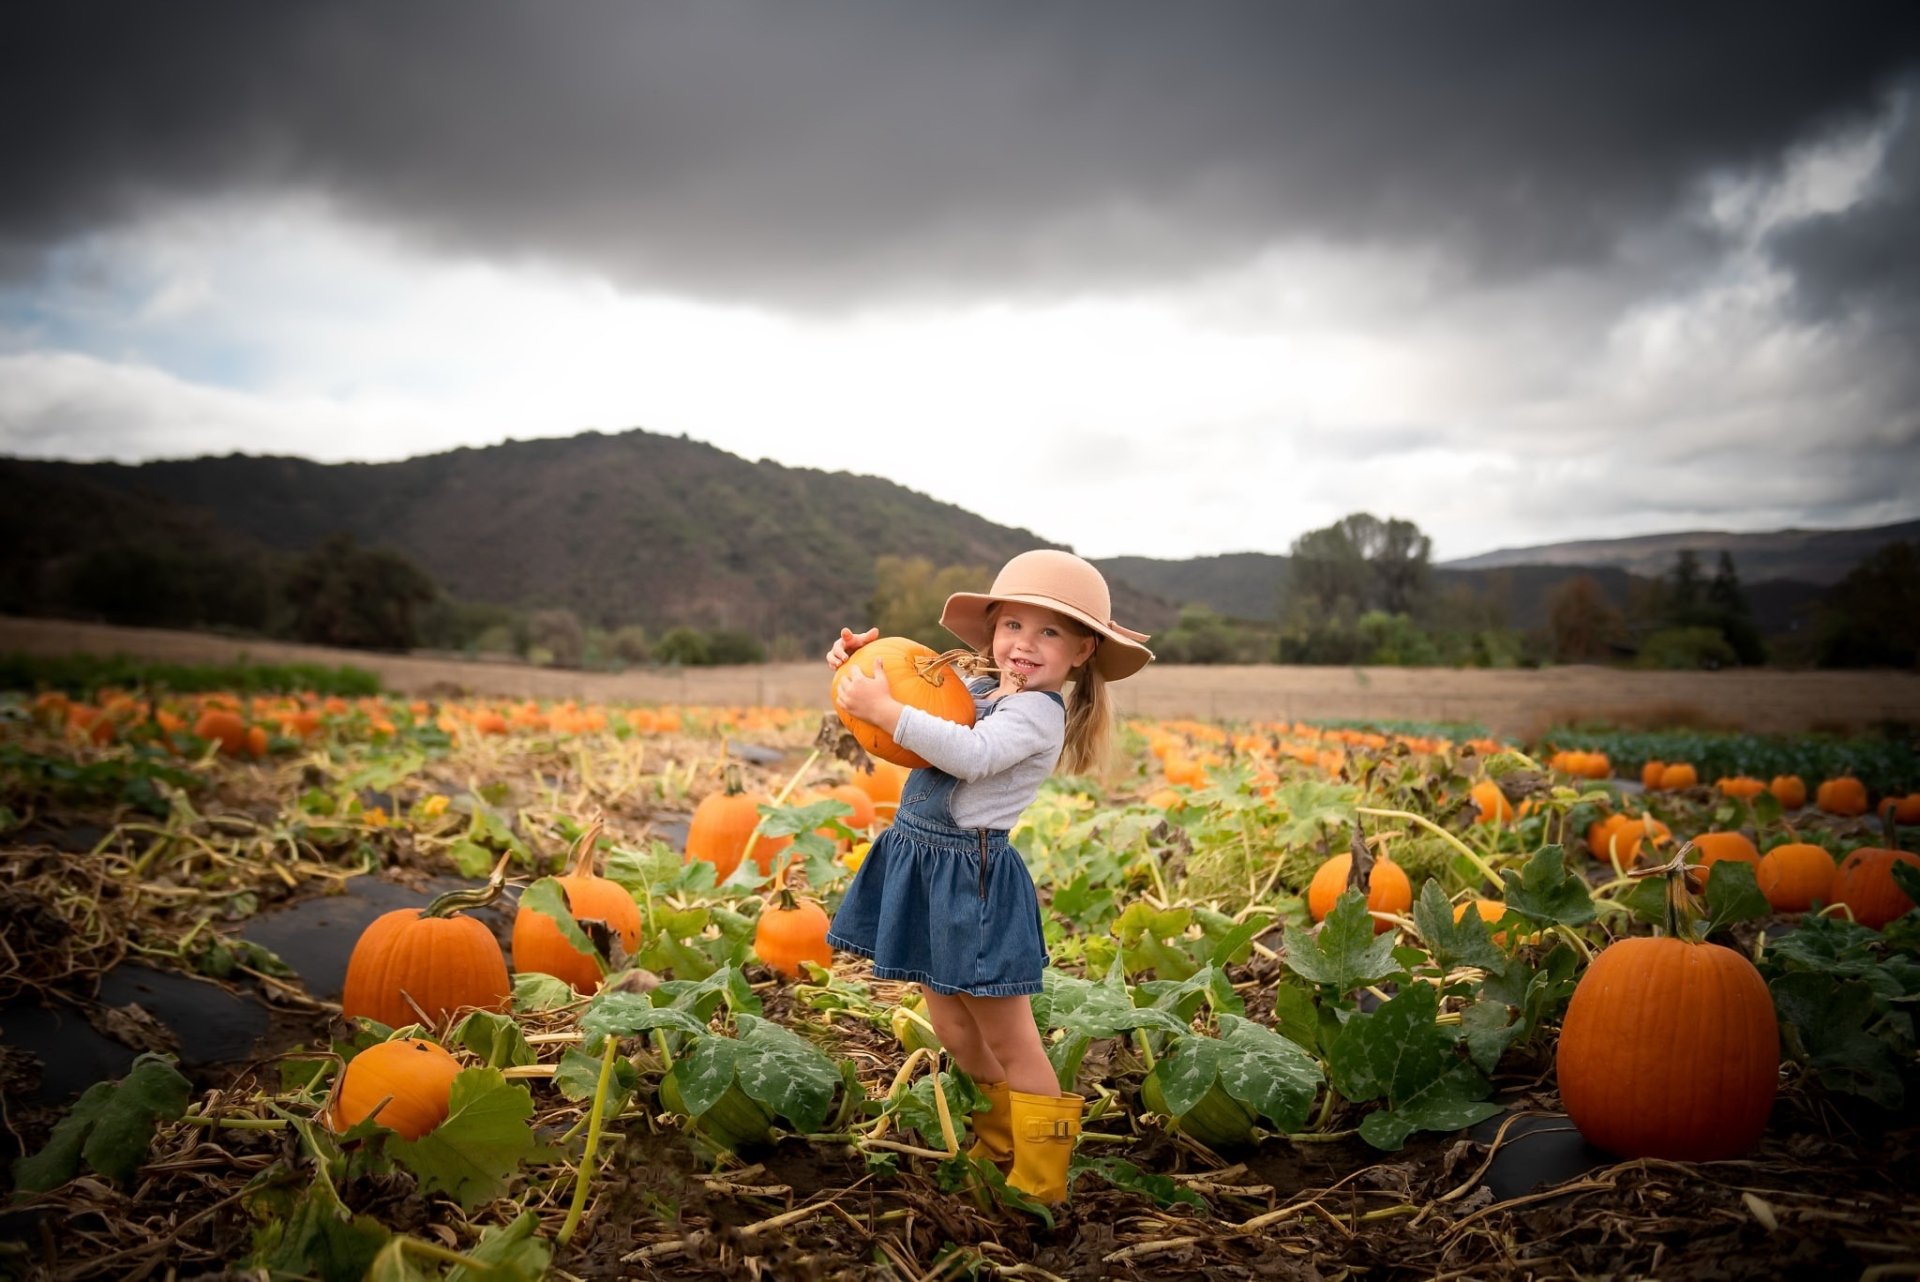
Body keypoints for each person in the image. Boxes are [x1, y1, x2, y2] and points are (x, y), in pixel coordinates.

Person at [825, 549, 1153, 1203]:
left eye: (1049, 631)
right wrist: (864, 661)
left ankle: (1042, 1177)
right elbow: (921, 700)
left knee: (1009, 1036)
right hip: (922, 866)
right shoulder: (981, 689)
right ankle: (998, 1137)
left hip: (970, 883)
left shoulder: (1037, 715)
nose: (1024, 644)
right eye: (1013, 626)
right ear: (993, 632)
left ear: (1082, 652)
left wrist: (888, 709)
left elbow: (970, 754)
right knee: (950, 1024)